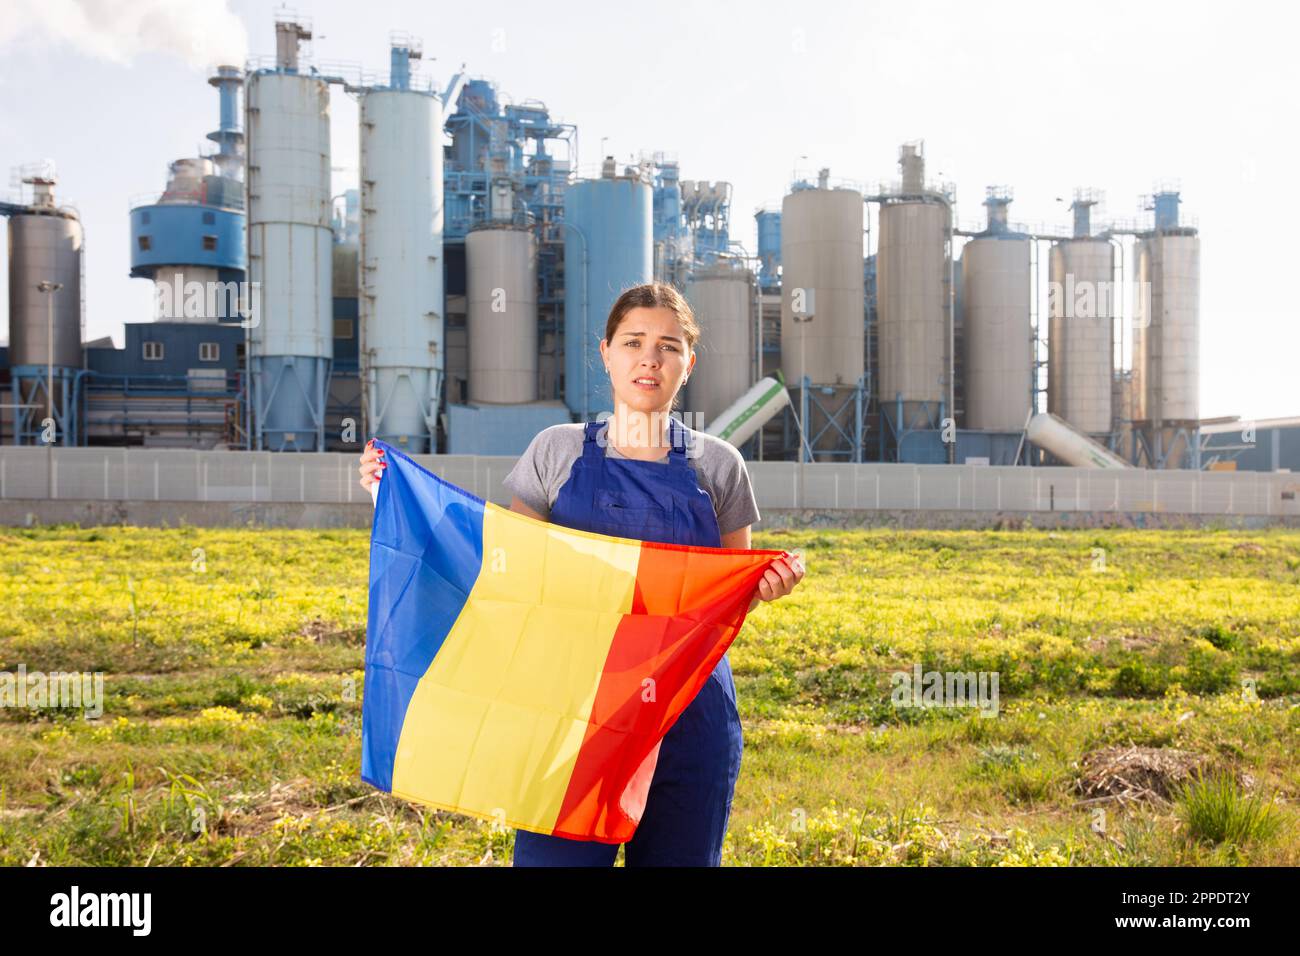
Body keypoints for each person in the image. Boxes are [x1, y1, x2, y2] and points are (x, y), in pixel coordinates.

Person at [358, 281, 804, 866]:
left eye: (668, 346)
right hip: (570, 713)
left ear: (688, 363)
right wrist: (396, 501)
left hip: (687, 712)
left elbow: (726, 600)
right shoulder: (556, 452)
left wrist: (765, 586)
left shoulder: (718, 465)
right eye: (634, 341)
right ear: (607, 354)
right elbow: (509, 573)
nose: (650, 358)